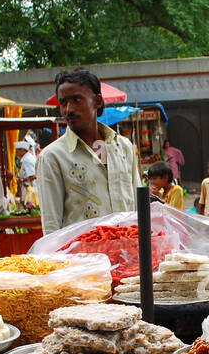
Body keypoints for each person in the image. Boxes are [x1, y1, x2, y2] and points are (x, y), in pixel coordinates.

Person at [37, 69, 138, 234]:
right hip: (83, 258)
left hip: (128, 253)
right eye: (63, 103)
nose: (68, 109)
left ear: (97, 101)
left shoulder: (123, 147)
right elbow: (51, 228)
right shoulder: (52, 157)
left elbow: (137, 207)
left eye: (77, 100)